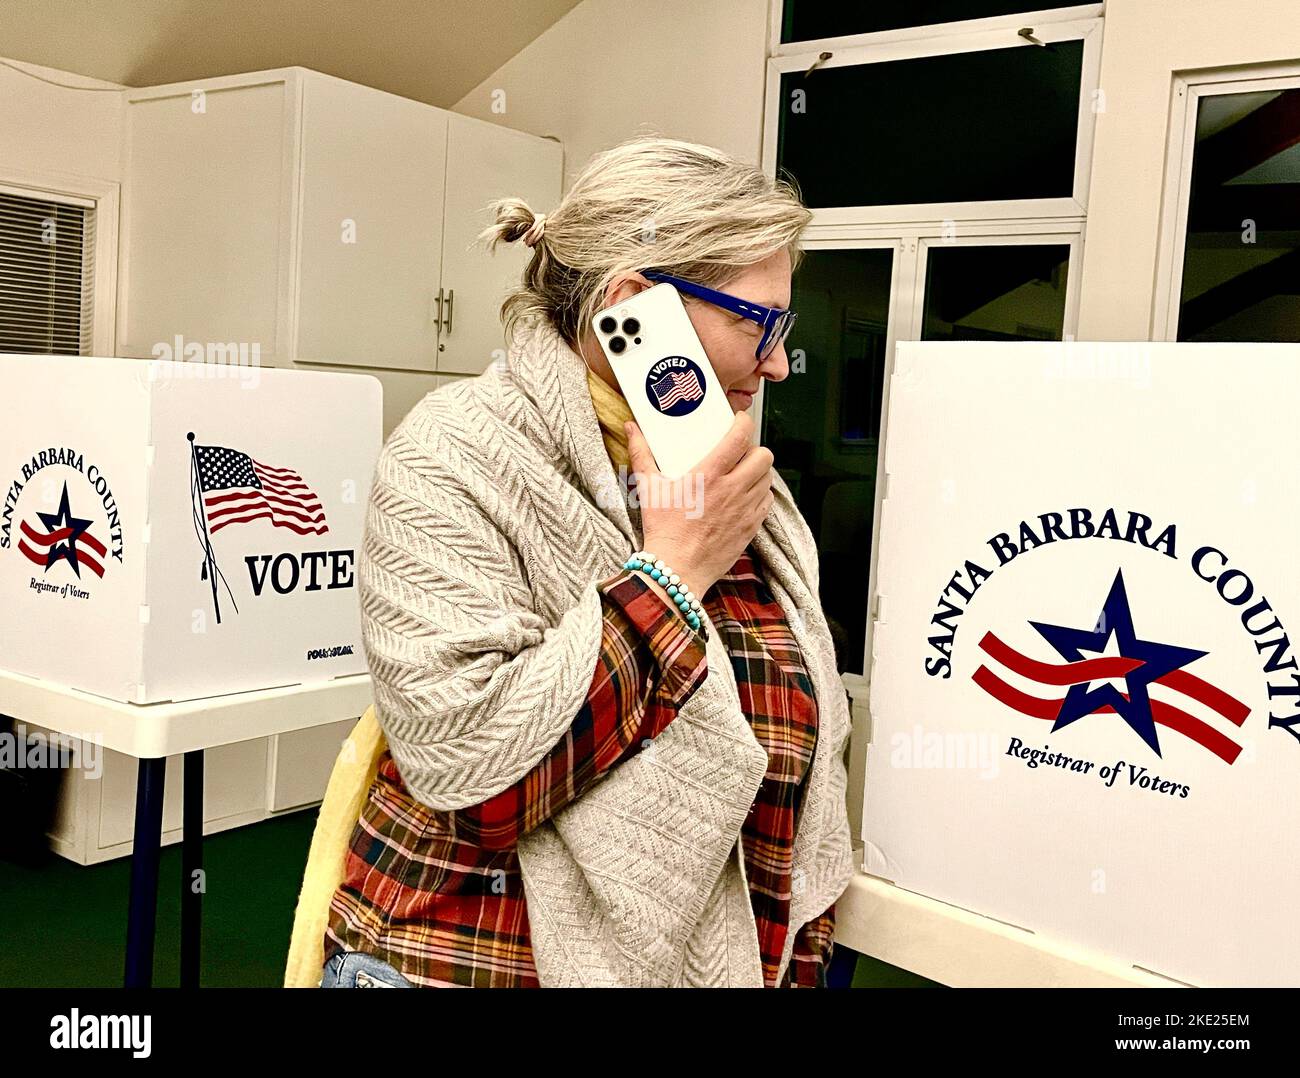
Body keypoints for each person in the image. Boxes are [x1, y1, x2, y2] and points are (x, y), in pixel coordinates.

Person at [315, 135, 855, 988]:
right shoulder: (454, 454)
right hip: (464, 959)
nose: (780, 361)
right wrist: (673, 572)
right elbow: (472, 773)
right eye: (758, 323)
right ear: (636, 306)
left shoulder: (745, 490)